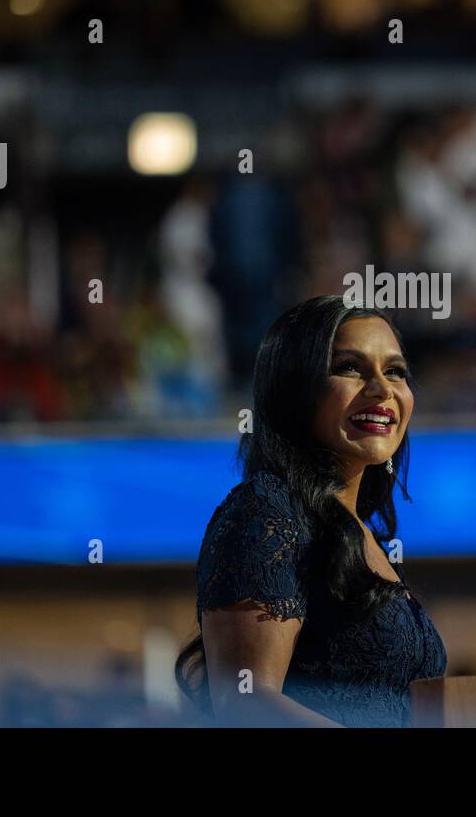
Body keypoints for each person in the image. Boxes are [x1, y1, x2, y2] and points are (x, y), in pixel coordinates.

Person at [176, 296, 446, 726]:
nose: (382, 389)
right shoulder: (265, 512)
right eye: (350, 368)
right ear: (296, 388)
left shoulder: (363, 534)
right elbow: (245, 703)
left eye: (395, 371)